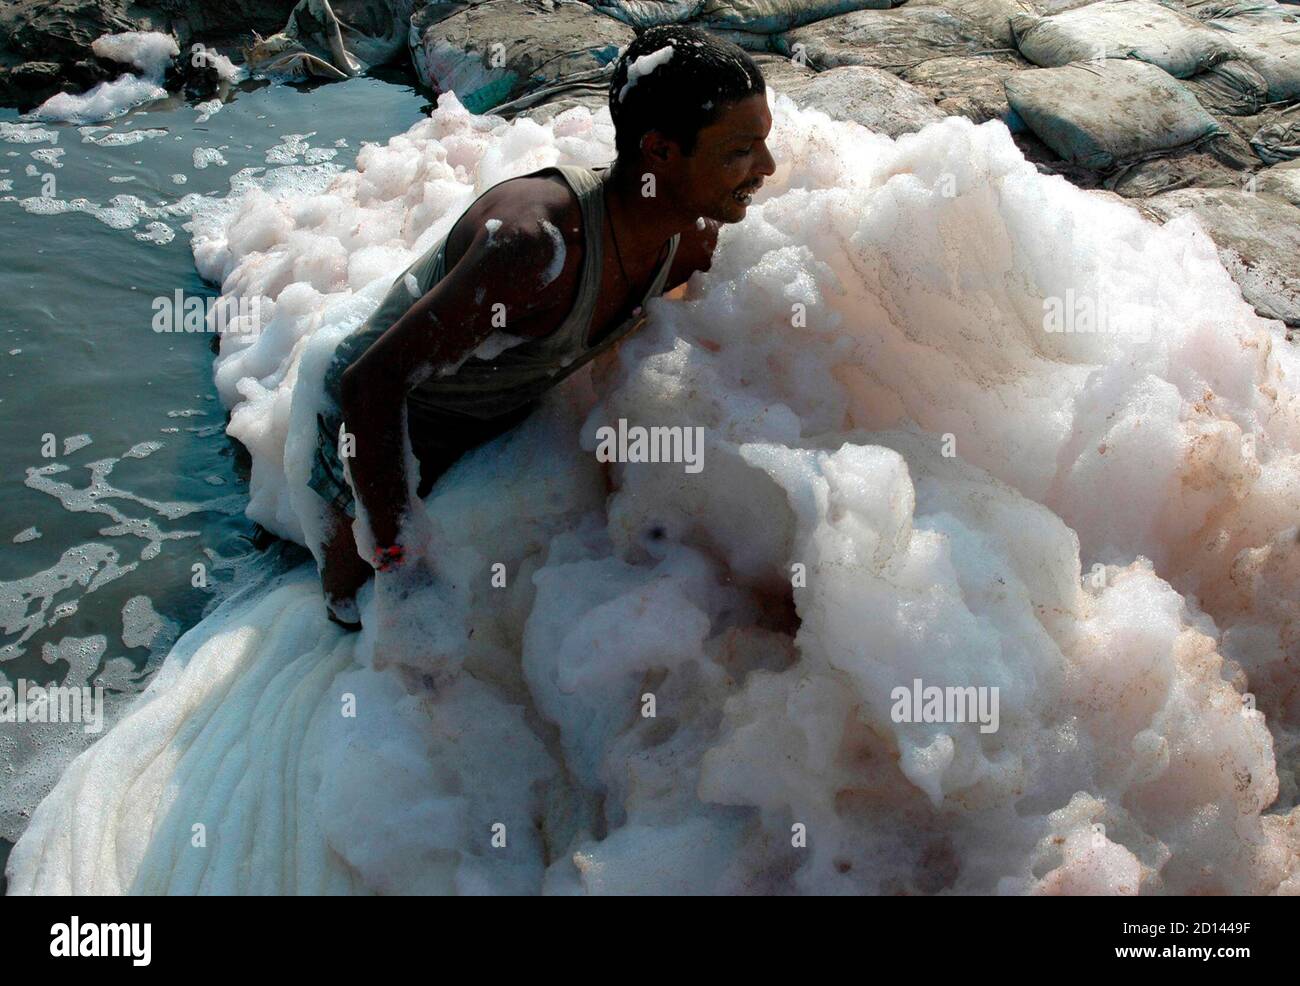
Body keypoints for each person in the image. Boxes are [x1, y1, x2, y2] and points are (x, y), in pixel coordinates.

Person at [309, 24, 777, 628]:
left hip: (496, 427)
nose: (766, 166)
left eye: (763, 142)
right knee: (354, 622)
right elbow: (367, 385)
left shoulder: (686, 239)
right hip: (368, 430)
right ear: (660, 151)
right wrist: (402, 560)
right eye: (740, 150)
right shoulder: (535, 248)